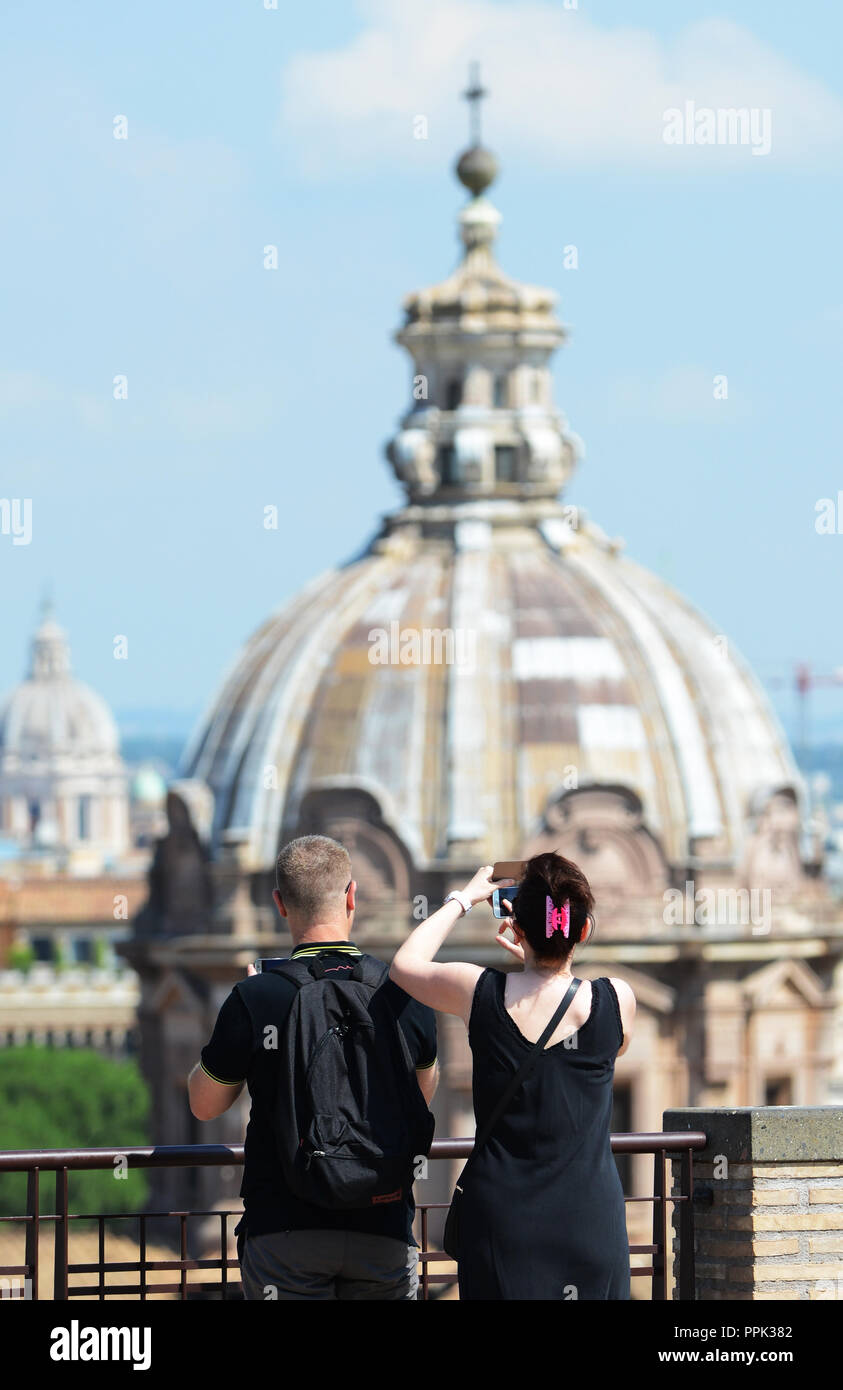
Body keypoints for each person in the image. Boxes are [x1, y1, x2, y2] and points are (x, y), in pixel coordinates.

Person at [188, 834, 438, 1300]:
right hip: (383, 1225)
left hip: (284, 1230)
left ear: (280, 903)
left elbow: (204, 1104)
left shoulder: (256, 997)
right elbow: (421, 1094)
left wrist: (245, 1016)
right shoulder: (405, 991)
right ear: (351, 896)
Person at [389, 851, 636, 1301]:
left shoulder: (478, 991)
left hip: (502, 1222)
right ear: (583, 931)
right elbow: (611, 1046)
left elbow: (404, 965)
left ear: (516, 928)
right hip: (589, 1221)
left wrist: (463, 899)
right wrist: (543, 962)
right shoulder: (617, 999)